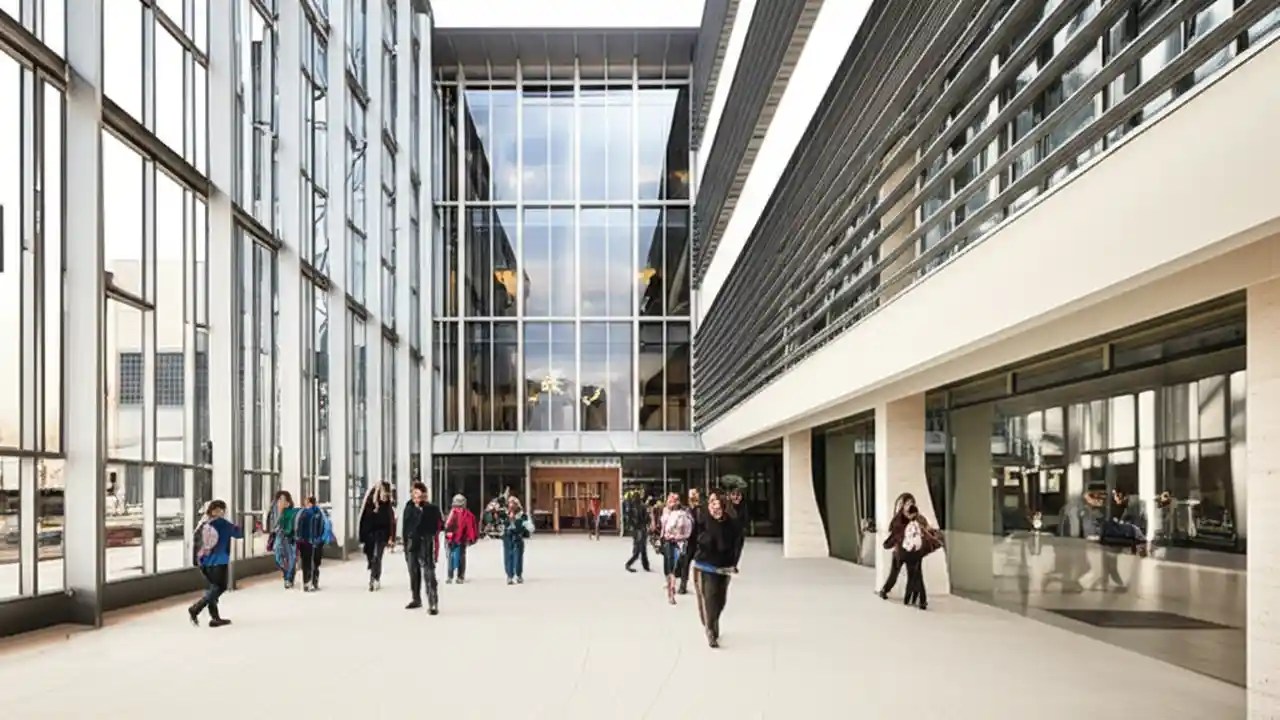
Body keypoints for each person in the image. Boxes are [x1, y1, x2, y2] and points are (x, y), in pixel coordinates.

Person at [692, 490, 742, 648]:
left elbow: (738, 544)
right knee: (709, 599)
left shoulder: (732, 524)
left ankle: (713, 623)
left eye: (718, 504)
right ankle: (710, 630)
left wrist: (734, 563)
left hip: (724, 568)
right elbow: (692, 541)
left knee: (720, 601)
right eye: (712, 503)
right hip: (704, 566)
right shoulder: (702, 519)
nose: (715, 507)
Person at [188, 500, 243, 628]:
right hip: (220, 560)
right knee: (220, 587)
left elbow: (196, 543)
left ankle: (215, 618)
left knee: (212, 588)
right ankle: (196, 608)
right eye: (220, 510)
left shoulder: (202, 524)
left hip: (204, 563)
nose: (221, 512)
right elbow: (239, 534)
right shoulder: (222, 523)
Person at [402, 482, 443, 614]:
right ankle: (416, 598)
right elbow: (406, 527)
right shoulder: (408, 507)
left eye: (419, 494)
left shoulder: (431, 509)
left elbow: (438, 525)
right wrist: (405, 544)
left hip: (426, 542)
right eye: (413, 494)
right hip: (412, 543)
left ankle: (433, 602)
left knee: (428, 572)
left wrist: (422, 510)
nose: (416, 497)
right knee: (413, 571)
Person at [896, 505, 942, 610]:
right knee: (916, 575)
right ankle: (916, 599)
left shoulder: (912, 523)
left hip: (911, 551)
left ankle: (911, 598)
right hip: (919, 552)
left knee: (913, 575)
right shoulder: (921, 520)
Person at [358, 482, 397, 592]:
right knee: (372, 557)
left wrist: (391, 538)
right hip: (370, 535)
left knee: (377, 556)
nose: (386, 497)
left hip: (382, 535)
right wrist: (362, 537)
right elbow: (364, 520)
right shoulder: (370, 504)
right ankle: (374, 575)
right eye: (385, 494)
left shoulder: (387, 506)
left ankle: (374, 579)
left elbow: (391, 522)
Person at [878, 492, 917, 600]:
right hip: (899, 551)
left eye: (911, 503)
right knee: (894, 574)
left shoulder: (915, 517)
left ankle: (909, 597)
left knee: (912, 575)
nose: (909, 505)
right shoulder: (899, 518)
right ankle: (884, 590)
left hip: (911, 551)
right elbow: (896, 533)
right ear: (903, 505)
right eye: (907, 503)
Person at [659, 492, 694, 605]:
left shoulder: (683, 514)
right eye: (669, 500)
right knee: (670, 567)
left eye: (673, 500)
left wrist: (680, 536)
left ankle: (673, 589)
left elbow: (688, 528)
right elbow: (663, 527)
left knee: (674, 567)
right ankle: (671, 588)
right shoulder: (666, 512)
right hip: (669, 541)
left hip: (678, 542)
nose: (671, 502)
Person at [295, 496, 333, 592]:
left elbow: (299, 527)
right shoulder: (319, 513)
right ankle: (310, 581)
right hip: (313, 541)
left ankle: (309, 581)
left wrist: (300, 539)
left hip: (310, 541)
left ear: (310, 503)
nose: (306, 504)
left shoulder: (307, 513)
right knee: (311, 562)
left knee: (309, 562)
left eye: (307, 502)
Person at [267, 490, 299, 589]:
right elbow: (273, 525)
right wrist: (280, 513)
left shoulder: (291, 512)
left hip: (290, 536)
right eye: (280, 499)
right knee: (278, 556)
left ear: (288, 502)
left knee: (291, 557)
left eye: (284, 499)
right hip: (278, 535)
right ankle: (286, 574)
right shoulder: (274, 511)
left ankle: (289, 578)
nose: (281, 502)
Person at [444, 494, 478, 584]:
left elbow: (447, 525)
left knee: (453, 556)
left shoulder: (454, 513)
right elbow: (471, 527)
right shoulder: (466, 514)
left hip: (455, 539)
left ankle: (453, 576)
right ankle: (457, 576)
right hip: (458, 539)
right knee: (459, 557)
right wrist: (471, 538)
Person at [678, 488, 702, 594]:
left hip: (700, 541)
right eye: (691, 494)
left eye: (694, 494)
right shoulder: (686, 510)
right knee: (685, 564)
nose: (692, 496)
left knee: (700, 565)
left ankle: (702, 587)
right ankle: (683, 586)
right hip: (689, 541)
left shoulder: (701, 509)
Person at [502, 497, 531, 585]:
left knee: (518, 556)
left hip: (518, 537)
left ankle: (518, 575)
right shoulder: (504, 514)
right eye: (510, 504)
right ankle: (510, 576)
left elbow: (530, 527)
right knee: (508, 556)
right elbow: (501, 525)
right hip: (507, 537)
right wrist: (508, 519)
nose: (511, 506)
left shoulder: (522, 515)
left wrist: (519, 522)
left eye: (513, 504)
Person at [624, 494, 652, 573]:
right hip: (641, 529)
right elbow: (647, 519)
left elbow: (629, 519)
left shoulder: (631, 507)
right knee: (641, 549)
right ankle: (629, 564)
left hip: (636, 530)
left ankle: (645, 565)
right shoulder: (642, 506)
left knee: (640, 548)